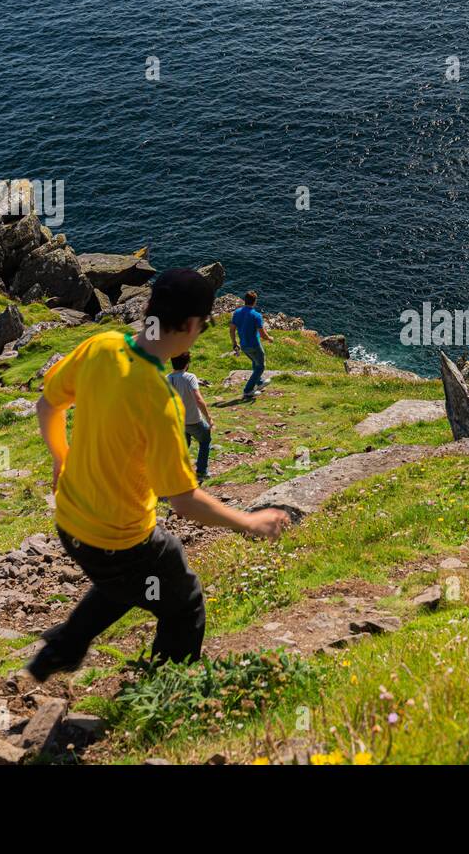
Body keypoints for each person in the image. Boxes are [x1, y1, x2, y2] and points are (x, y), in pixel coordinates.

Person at [27, 269, 290, 681]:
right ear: (189, 326)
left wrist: (61, 460)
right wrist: (249, 522)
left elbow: (47, 406)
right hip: (120, 539)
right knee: (184, 600)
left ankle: (60, 650)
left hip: (71, 522)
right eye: (202, 327)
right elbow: (182, 499)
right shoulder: (158, 401)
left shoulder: (102, 346)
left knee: (126, 584)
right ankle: (166, 691)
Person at [167, 351, 212, 481]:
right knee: (205, 440)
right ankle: (201, 471)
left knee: (184, 444)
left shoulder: (167, 378)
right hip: (193, 420)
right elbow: (198, 399)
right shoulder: (190, 377)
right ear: (187, 364)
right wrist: (208, 418)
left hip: (178, 421)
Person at [229, 289, 272, 401]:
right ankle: (248, 390)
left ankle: (260, 382)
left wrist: (234, 343)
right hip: (254, 345)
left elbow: (232, 330)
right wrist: (270, 338)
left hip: (243, 345)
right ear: (255, 301)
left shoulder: (237, 313)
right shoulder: (256, 315)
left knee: (254, 362)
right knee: (261, 366)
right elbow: (262, 334)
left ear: (245, 300)